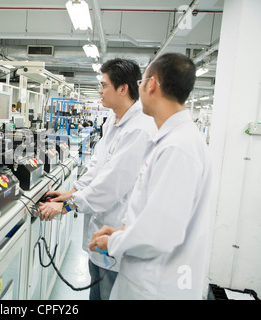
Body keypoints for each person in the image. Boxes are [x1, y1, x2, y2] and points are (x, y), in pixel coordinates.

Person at [88, 53, 213, 300]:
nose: (140, 89)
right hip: (148, 278)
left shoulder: (177, 148)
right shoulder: (174, 139)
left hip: (155, 286)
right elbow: (159, 213)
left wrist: (113, 243)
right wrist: (122, 231)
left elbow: (160, 234)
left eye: (141, 83)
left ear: (152, 84)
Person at [37, 58, 157, 300]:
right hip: (102, 235)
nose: (99, 91)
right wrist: (72, 192)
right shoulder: (114, 121)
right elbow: (97, 168)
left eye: (104, 86)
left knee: (109, 292)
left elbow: (112, 184)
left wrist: (68, 205)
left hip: (118, 232)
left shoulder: (139, 129)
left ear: (123, 88)